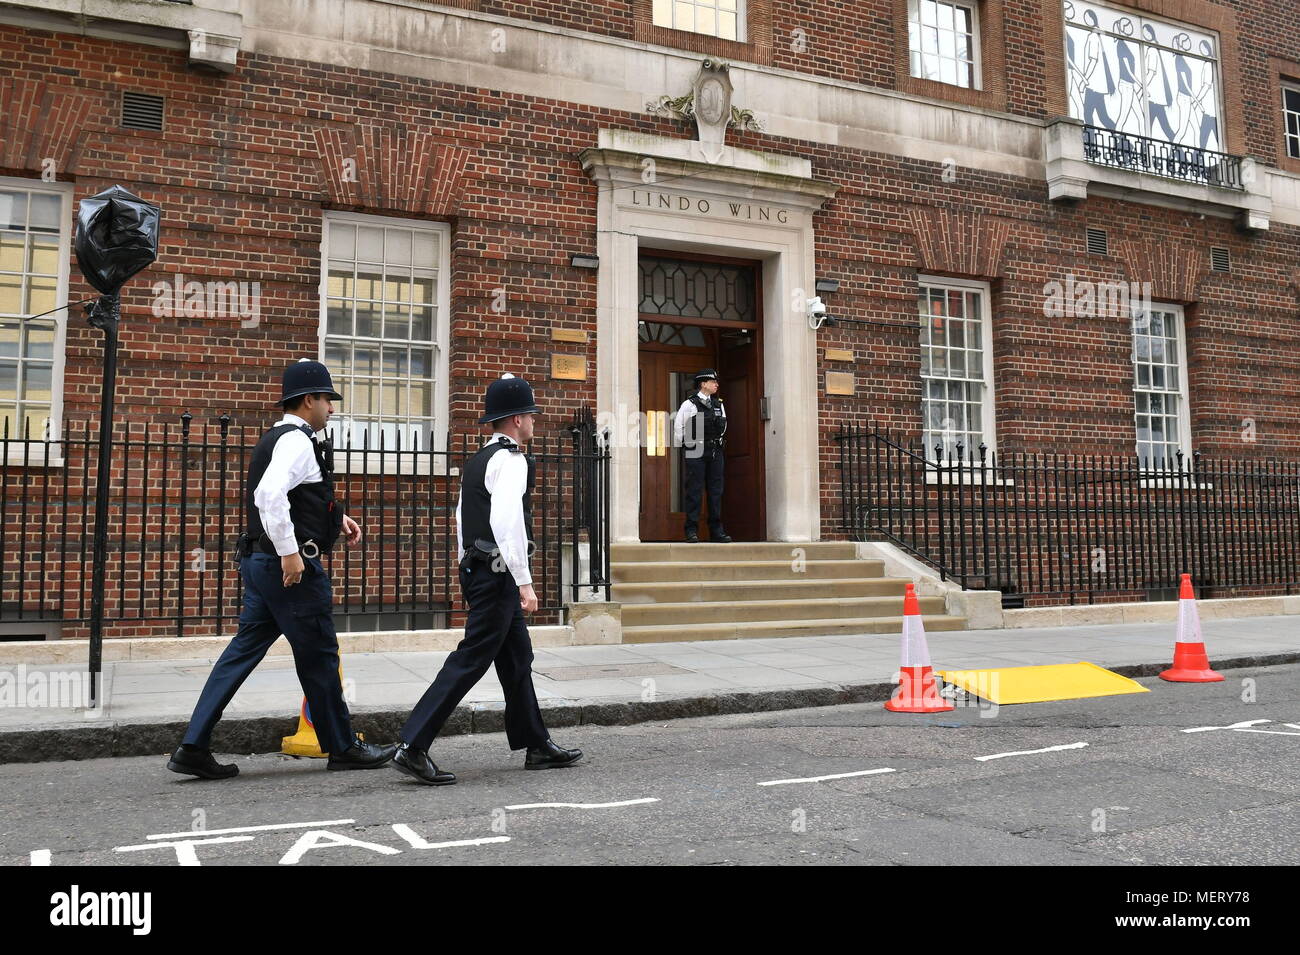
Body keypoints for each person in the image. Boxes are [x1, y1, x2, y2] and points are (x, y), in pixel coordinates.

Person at [167, 359, 396, 779]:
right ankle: (342, 746)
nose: (331, 408)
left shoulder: (275, 438)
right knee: (320, 656)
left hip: (258, 563)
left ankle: (193, 745)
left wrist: (334, 520)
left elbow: (295, 498)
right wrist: (291, 553)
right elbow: (269, 495)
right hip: (287, 569)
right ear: (309, 400)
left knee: (241, 654)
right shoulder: (297, 440)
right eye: (327, 399)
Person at [391, 373, 582, 785]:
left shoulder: (479, 460)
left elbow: (460, 519)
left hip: (481, 571)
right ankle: (413, 745)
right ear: (516, 420)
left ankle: (536, 744)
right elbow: (508, 523)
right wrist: (524, 582)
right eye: (530, 415)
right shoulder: (511, 460)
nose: (534, 421)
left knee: (517, 659)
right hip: (497, 577)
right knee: (471, 659)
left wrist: (468, 564)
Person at [673, 368, 732, 543]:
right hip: (695, 450)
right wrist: (685, 446)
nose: (716, 385)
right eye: (713, 382)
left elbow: (724, 426)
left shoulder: (718, 404)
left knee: (715, 491)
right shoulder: (689, 404)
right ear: (703, 384)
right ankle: (691, 531)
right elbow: (679, 428)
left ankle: (716, 531)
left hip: (715, 451)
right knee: (694, 491)